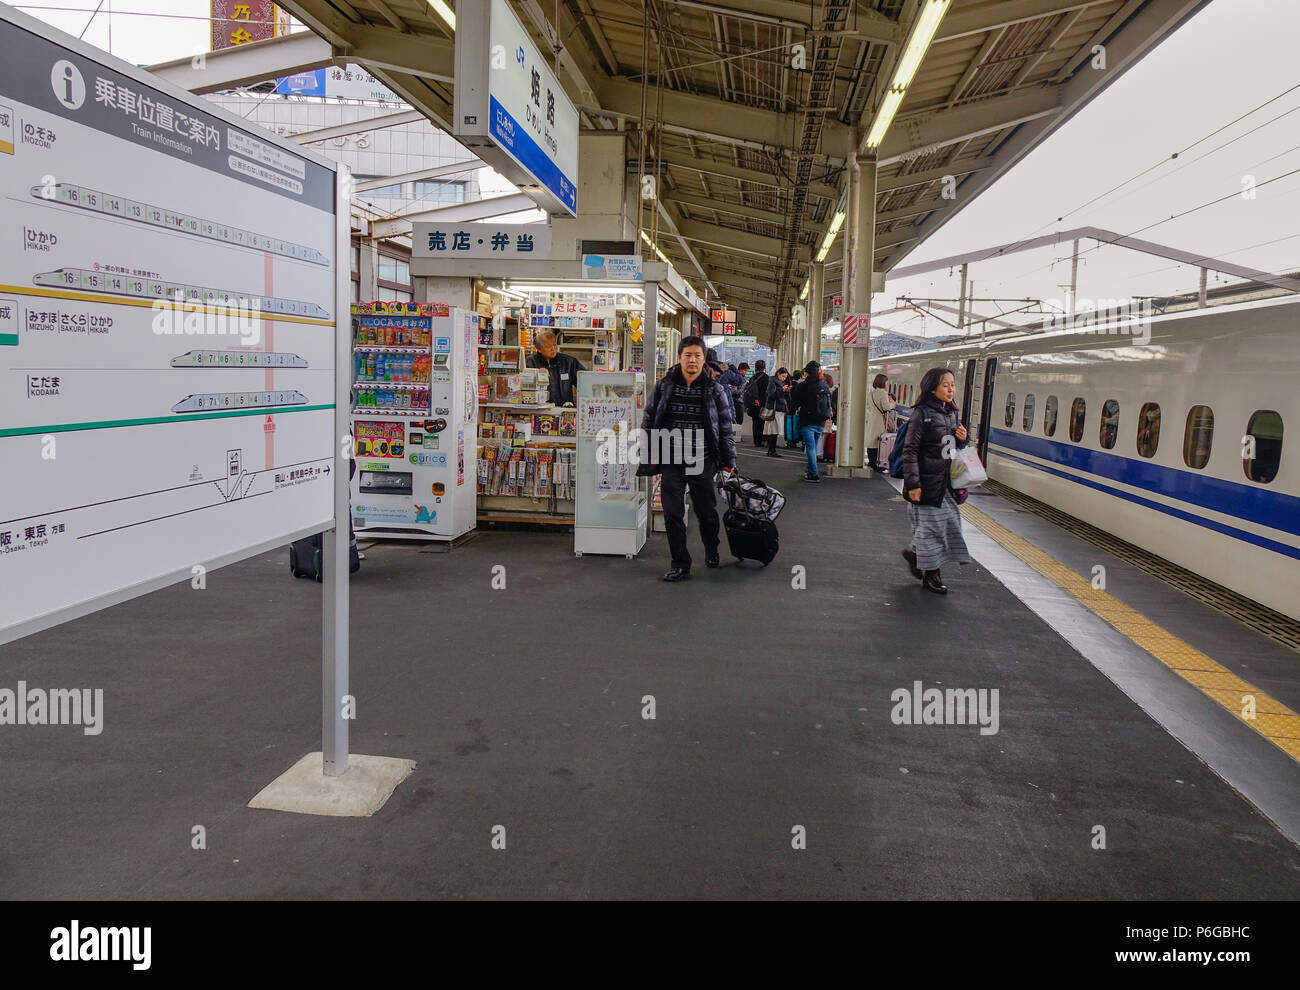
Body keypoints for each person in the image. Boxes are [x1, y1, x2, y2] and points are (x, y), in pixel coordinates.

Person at [638, 336, 737, 582]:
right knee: (672, 514)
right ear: (680, 357)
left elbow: (725, 427)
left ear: (704, 360)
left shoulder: (715, 389)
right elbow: (649, 419)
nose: (692, 360)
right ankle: (680, 563)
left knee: (707, 513)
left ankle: (711, 548)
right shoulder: (664, 386)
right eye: (687, 355)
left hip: (702, 460)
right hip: (671, 460)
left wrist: (729, 461)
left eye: (697, 356)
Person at [901, 367, 970, 595]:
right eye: (945, 385)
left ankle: (916, 555)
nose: (951, 389)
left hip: (946, 484)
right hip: (926, 483)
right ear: (932, 388)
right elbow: (909, 450)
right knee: (932, 530)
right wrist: (913, 485)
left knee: (948, 526)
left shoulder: (951, 413)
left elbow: (949, 450)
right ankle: (932, 576)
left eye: (952, 384)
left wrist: (962, 440)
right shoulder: (922, 414)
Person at [790, 361, 832, 482]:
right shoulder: (824, 384)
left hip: (807, 421)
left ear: (807, 372)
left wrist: (791, 411)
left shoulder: (804, 385)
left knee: (811, 448)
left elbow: (795, 402)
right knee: (813, 445)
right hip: (821, 422)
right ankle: (809, 469)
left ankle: (814, 474)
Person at [526, 331, 584, 406]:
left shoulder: (569, 362)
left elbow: (585, 382)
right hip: (540, 410)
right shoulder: (531, 361)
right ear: (539, 349)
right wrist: (536, 374)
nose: (553, 349)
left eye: (554, 345)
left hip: (564, 409)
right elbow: (525, 388)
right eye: (548, 346)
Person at [866, 373, 893, 471]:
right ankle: (877, 463)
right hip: (879, 420)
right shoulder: (882, 393)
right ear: (883, 382)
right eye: (886, 381)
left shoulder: (871, 393)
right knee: (879, 441)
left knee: (871, 441)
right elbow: (886, 407)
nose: (887, 383)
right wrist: (893, 404)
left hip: (872, 418)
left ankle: (871, 462)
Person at [762, 366, 789, 457]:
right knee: (774, 430)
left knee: (775, 430)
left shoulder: (781, 382)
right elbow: (771, 395)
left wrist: (786, 391)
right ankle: (771, 450)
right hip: (774, 410)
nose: (784, 378)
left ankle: (771, 450)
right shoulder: (772, 381)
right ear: (778, 373)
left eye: (785, 377)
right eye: (783, 376)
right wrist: (782, 390)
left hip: (779, 409)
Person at [743, 359, 770, 447]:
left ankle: (756, 441)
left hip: (753, 403)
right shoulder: (766, 378)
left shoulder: (753, 378)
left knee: (755, 422)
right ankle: (762, 439)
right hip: (763, 403)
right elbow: (768, 392)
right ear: (764, 368)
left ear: (755, 368)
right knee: (762, 422)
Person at [718, 360, 746, 432]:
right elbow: (740, 380)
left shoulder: (701, 371)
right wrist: (733, 368)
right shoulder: (725, 372)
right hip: (724, 405)